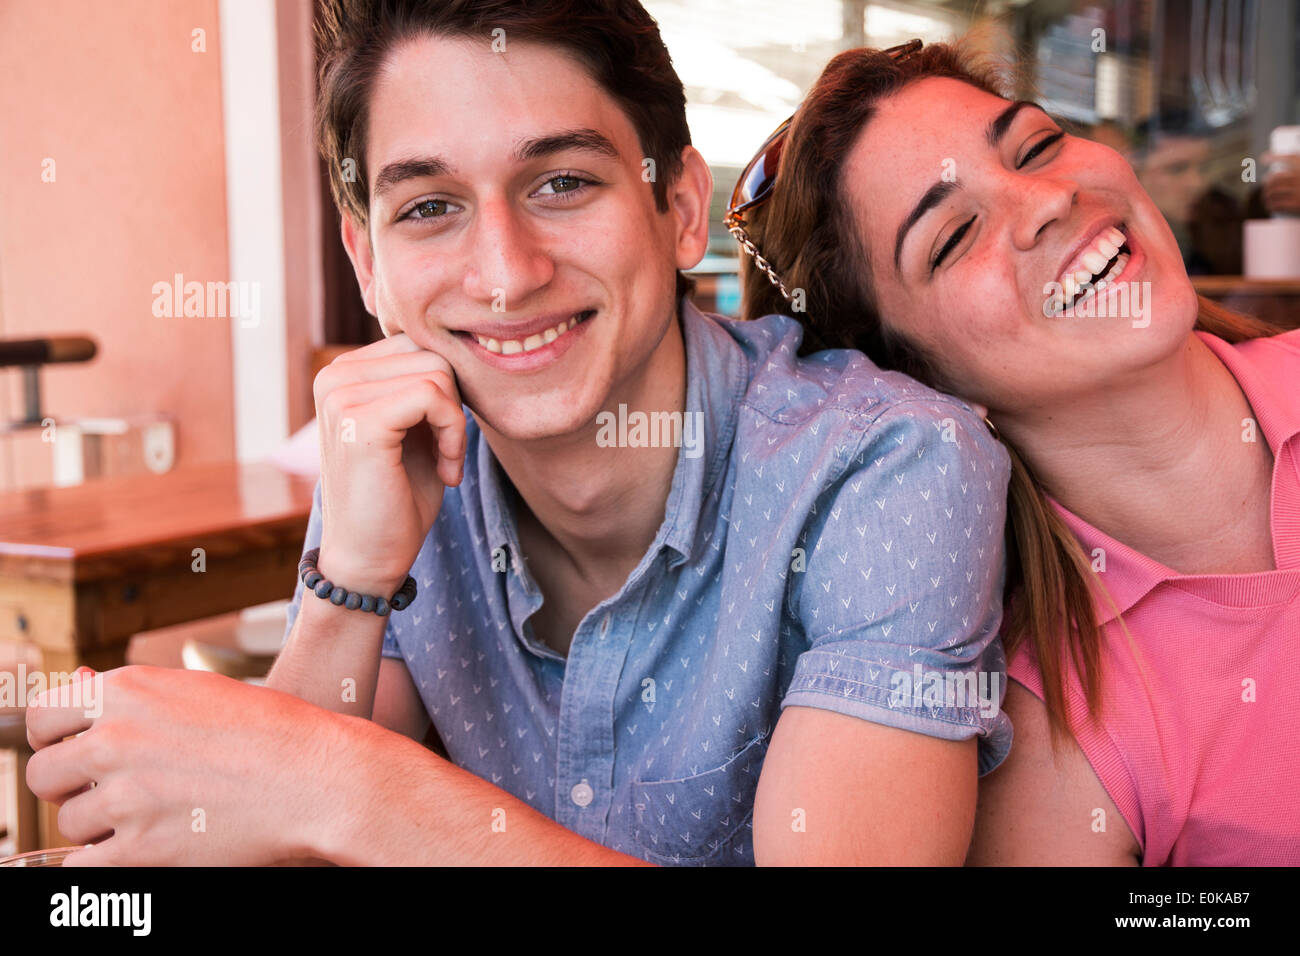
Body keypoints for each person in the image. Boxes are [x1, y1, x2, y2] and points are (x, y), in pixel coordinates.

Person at [24, 2, 1010, 866]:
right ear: (367, 263)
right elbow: (272, 836)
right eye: (431, 206)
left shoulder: (891, 463)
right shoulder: (393, 452)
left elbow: (308, 787)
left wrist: (336, 784)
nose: (503, 271)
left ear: (675, 207)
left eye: (562, 183)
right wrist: (349, 584)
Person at [734, 39, 1298, 866]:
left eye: (1036, 146)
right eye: (956, 234)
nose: (1045, 202)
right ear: (922, 384)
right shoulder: (1054, 736)